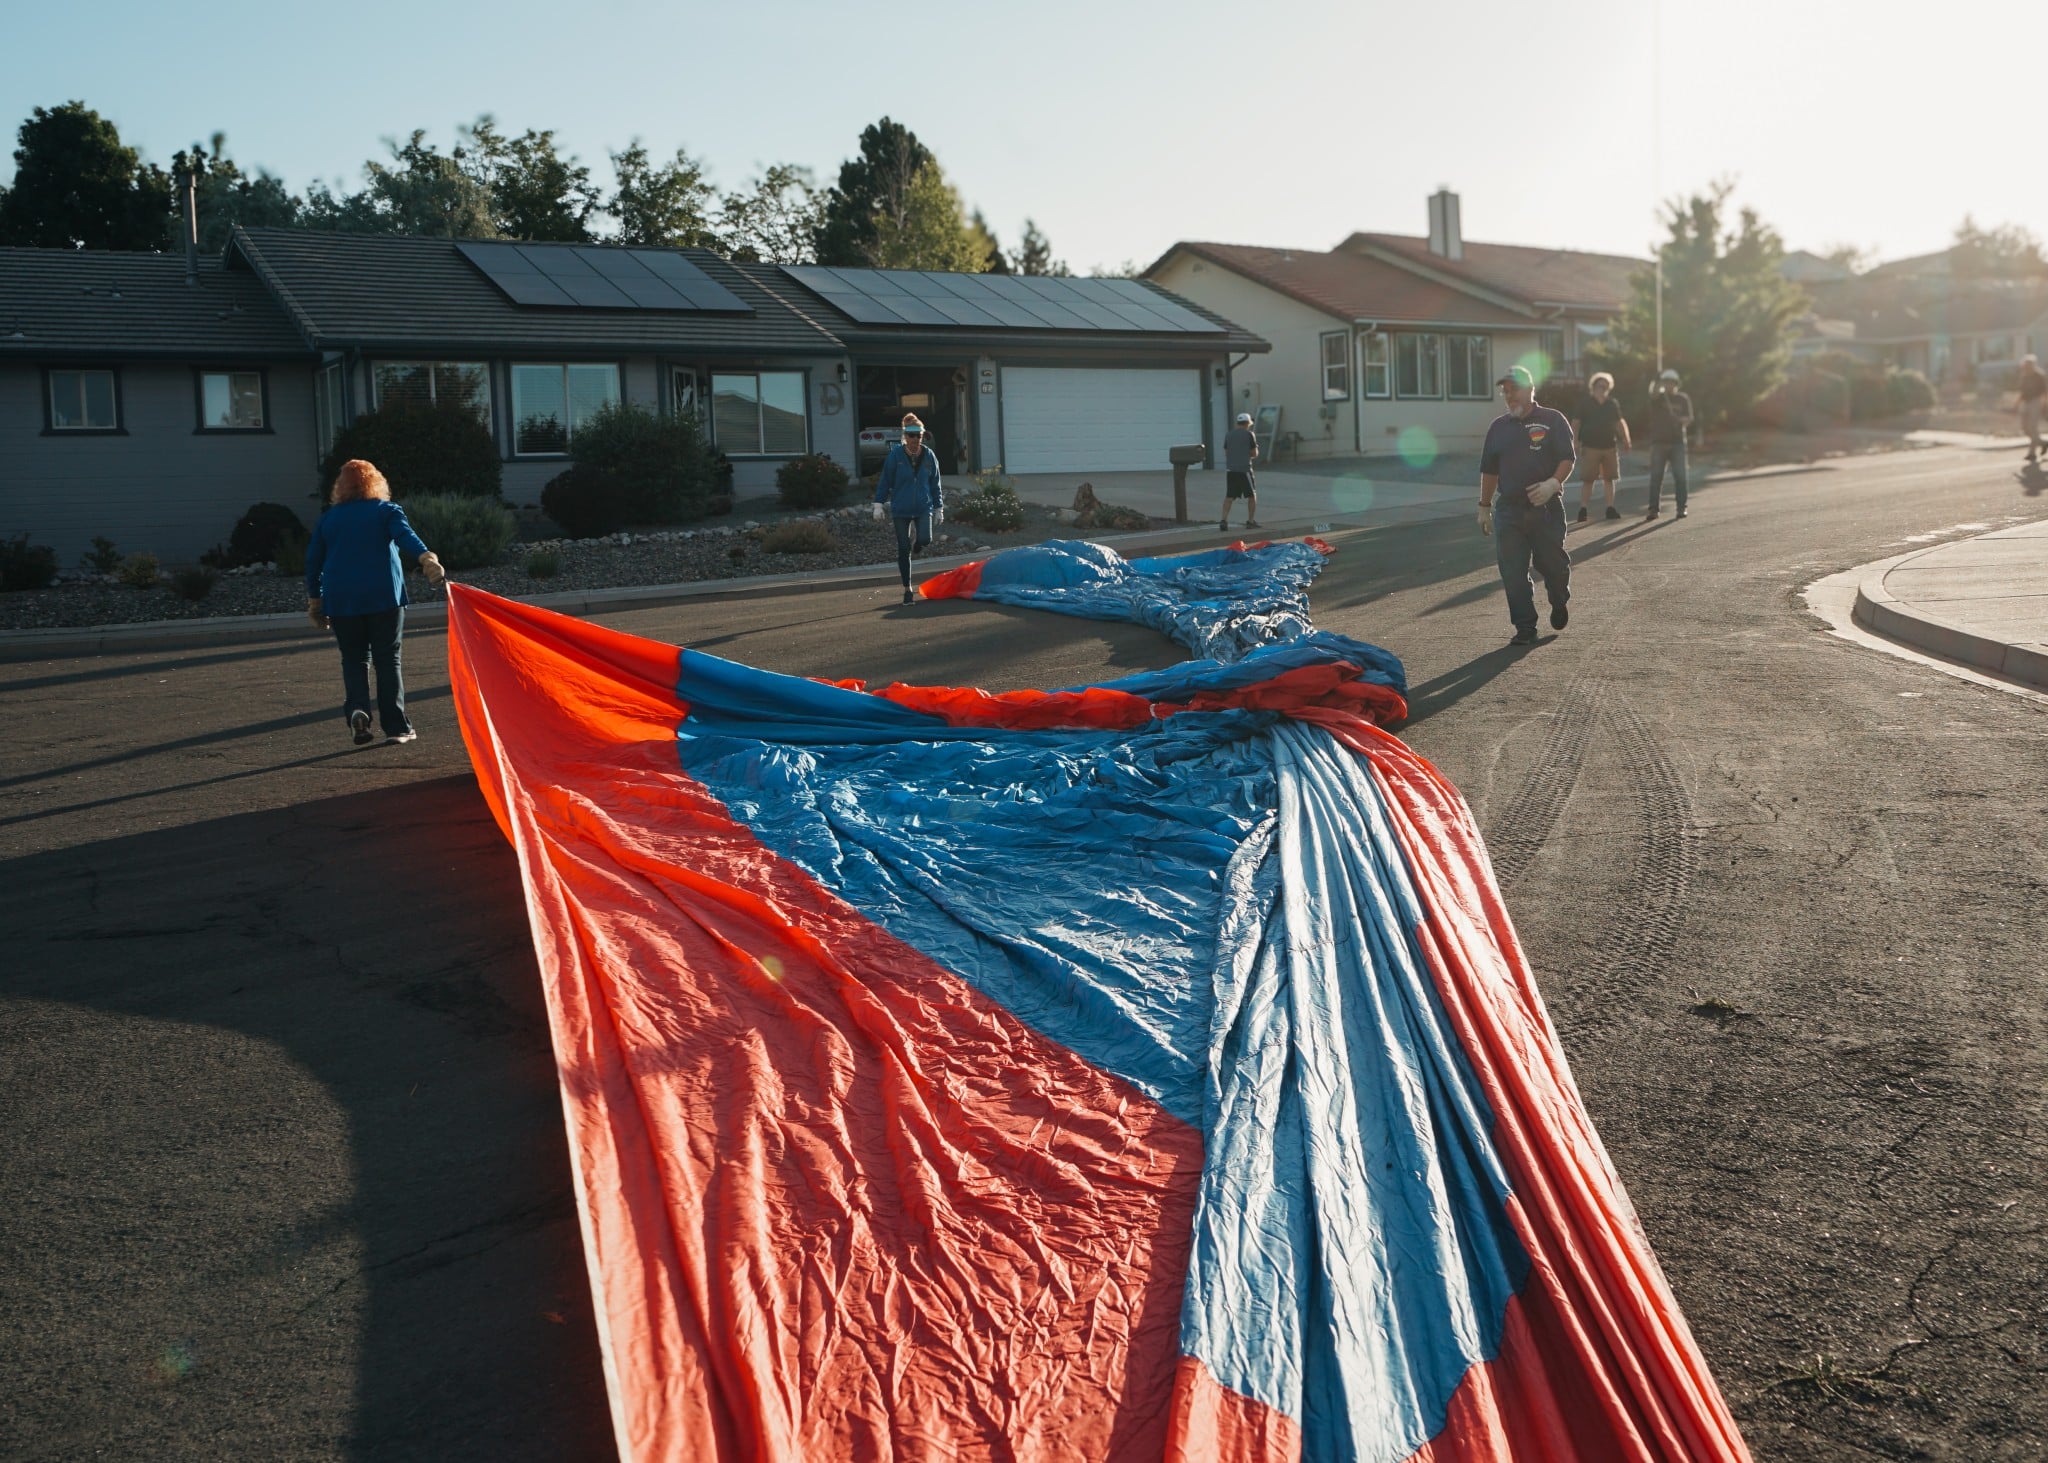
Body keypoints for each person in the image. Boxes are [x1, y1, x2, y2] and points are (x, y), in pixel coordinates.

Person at [304, 459, 445, 746]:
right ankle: (396, 726)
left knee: (354, 659)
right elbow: (406, 537)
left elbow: (312, 562)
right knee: (387, 659)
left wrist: (315, 600)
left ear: (340, 487)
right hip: (383, 596)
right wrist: (426, 558)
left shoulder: (329, 519)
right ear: (376, 482)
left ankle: (358, 710)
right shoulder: (385, 511)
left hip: (341, 600)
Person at [1479, 365, 1576, 646]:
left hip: (1545, 509)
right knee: (1513, 571)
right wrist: (1484, 506)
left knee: (1552, 565)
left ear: (1531, 390)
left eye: (1515, 390)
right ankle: (1525, 627)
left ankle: (1559, 599)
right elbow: (1489, 469)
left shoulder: (1553, 420)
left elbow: (1567, 459)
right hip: (1510, 509)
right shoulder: (1498, 428)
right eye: (1505, 392)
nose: (1510, 397)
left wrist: (1552, 484)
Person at [872, 412, 943, 604]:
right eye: (911, 435)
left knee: (925, 539)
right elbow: (885, 481)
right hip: (901, 508)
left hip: (923, 506)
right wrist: (878, 504)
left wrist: (939, 507)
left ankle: (918, 544)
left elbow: (935, 483)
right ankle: (907, 588)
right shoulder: (895, 456)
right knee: (903, 548)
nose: (915, 439)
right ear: (905, 436)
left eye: (918, 435)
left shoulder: (929, 456)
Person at [1572, 371, 1630, 522]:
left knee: (1609, 478)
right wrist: (1575, 441)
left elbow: (1619, 422)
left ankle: (1610, 508)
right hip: (1590, 446)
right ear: (1593, 386)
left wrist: (1626, 439)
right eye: (1600, 385)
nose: (1602, 388)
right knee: (1588, 479)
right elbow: (1576, 423)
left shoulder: (1612, 404)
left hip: (1609, 446)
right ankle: (1583, 509)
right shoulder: (1585, 403)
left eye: (1606, 386)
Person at [1644, 368, 1694, 520]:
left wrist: (1679, 420)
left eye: (1671, 382)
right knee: (1656, 477)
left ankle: (1681, 507)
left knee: (1680, 476)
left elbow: (1689, 418)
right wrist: (1656, 380)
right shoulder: (1658, 398)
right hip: (1658, 442)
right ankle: (1653, 509)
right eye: (1666, 382)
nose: (1669, 385)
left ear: (1676, 383)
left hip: (1677, 443)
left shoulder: (1683, 398)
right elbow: (1651, 393)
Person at [1221, 411, 1260, 531]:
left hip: (1231, 470)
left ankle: (1223, 520)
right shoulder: (1249, 434)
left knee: (1229, 496)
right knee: (1252, 496)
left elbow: (1227, 453)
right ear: (1248, 423)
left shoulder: (1229, 434)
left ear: (1238, 423)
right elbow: (1254, 453)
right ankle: (1250, 521)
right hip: (1245, 470)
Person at [2017, 355, 2046, 462]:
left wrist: (2044, 405)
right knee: (2025, 428)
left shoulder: (2039, 375)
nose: (2026, 367)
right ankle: (2042, 443)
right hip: (2025, 402)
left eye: (2028, 365)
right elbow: (2022, 391)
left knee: (2033, 427)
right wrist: (2015, 405)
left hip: (2036, 401)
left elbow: (2044, 392)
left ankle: (2032, 453)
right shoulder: (2024, 376)